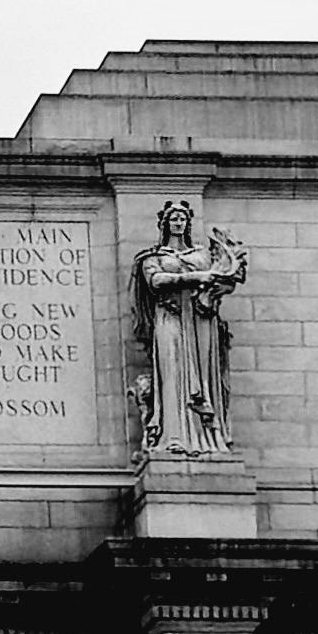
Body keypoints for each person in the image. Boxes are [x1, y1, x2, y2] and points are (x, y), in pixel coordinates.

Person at [131, 196, 247, 459]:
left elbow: (222, 279)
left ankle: (205, 438)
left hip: (200, 318)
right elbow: (157, 281)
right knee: (171, 372)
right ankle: (172, 436)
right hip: (169, 316)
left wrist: (224, 279)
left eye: (183, 218)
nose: (178, 223)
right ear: (164, 223)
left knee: (204, 375)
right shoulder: (153, 257)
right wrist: (196, 277)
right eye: (173, 218)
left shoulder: (202, 254)